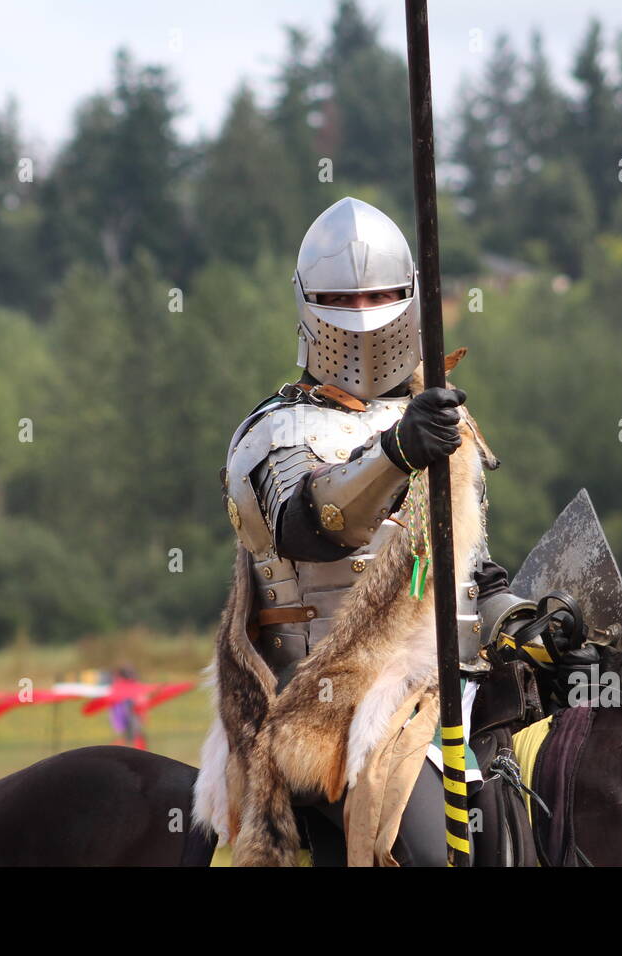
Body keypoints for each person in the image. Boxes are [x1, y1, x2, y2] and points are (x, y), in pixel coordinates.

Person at [194, 197, 595, 866]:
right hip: (325, 702)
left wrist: (525, 625)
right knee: (432, 855)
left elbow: (470, 572)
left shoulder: (435, 416)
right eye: (340, 299)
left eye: (382, 294)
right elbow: (311, 523)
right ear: (306, 304)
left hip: (447, 680)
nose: (363, 318)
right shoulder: (276, 433)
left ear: (410, 299)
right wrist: (396, 454)